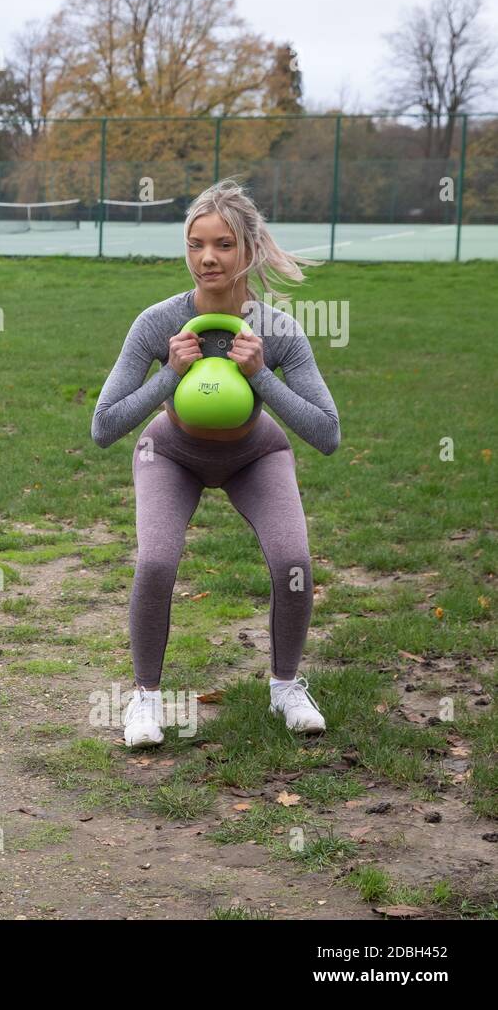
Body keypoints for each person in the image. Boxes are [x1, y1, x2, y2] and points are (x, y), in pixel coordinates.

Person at [91, 179, 340, 749]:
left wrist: (260, 379)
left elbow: (326, 434)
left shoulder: (278, 330)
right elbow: (104, 426)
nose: (207, 257)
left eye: (223, 244)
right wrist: (170, 375)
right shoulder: (158, 322)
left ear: (248, 250)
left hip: (256, 453)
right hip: (170, 453)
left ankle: (286, 687)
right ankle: (145, 702)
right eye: (196, 243)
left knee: (293, 560)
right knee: (155, 561)